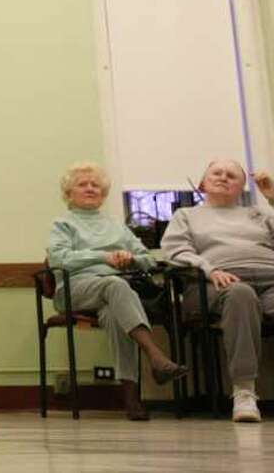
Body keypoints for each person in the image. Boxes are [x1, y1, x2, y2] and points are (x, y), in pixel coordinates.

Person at [161, 160, 274, 422]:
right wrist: (208, 269)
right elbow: (175, 251)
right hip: (215, 283)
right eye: (217, 173)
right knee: (240, 294)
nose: (224, 177)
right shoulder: (186, 215)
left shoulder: (260, 214)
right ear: (203, 182)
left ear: (242, 187)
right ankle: (244, 392)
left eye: (232, 175)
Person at [46, 161, 189, 420]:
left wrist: (130, 259)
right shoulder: (63, 224)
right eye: (83, 184)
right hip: (75, 288)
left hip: (115, 292)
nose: (91, 188)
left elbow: (147, 259)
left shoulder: (117, 226)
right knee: (115, 285)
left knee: (114, 312)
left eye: (95, 185)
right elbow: (59, 260)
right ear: (69, 194)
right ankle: (155, 354)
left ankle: (131, 400)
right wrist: (104, 257)